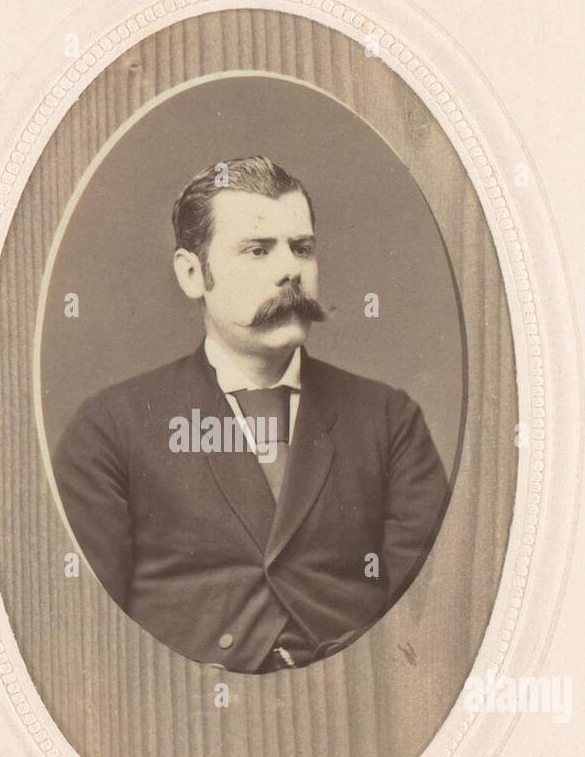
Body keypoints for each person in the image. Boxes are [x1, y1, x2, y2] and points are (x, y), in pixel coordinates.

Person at [53, 156, 448, 674]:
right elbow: (81, 629)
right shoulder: (111, 428)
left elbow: (435, 611)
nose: (290, 270)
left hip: (356, 705)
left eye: (301, 248)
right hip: (179, 718)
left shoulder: (388, 420)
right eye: (258, 250)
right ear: (193, 273)